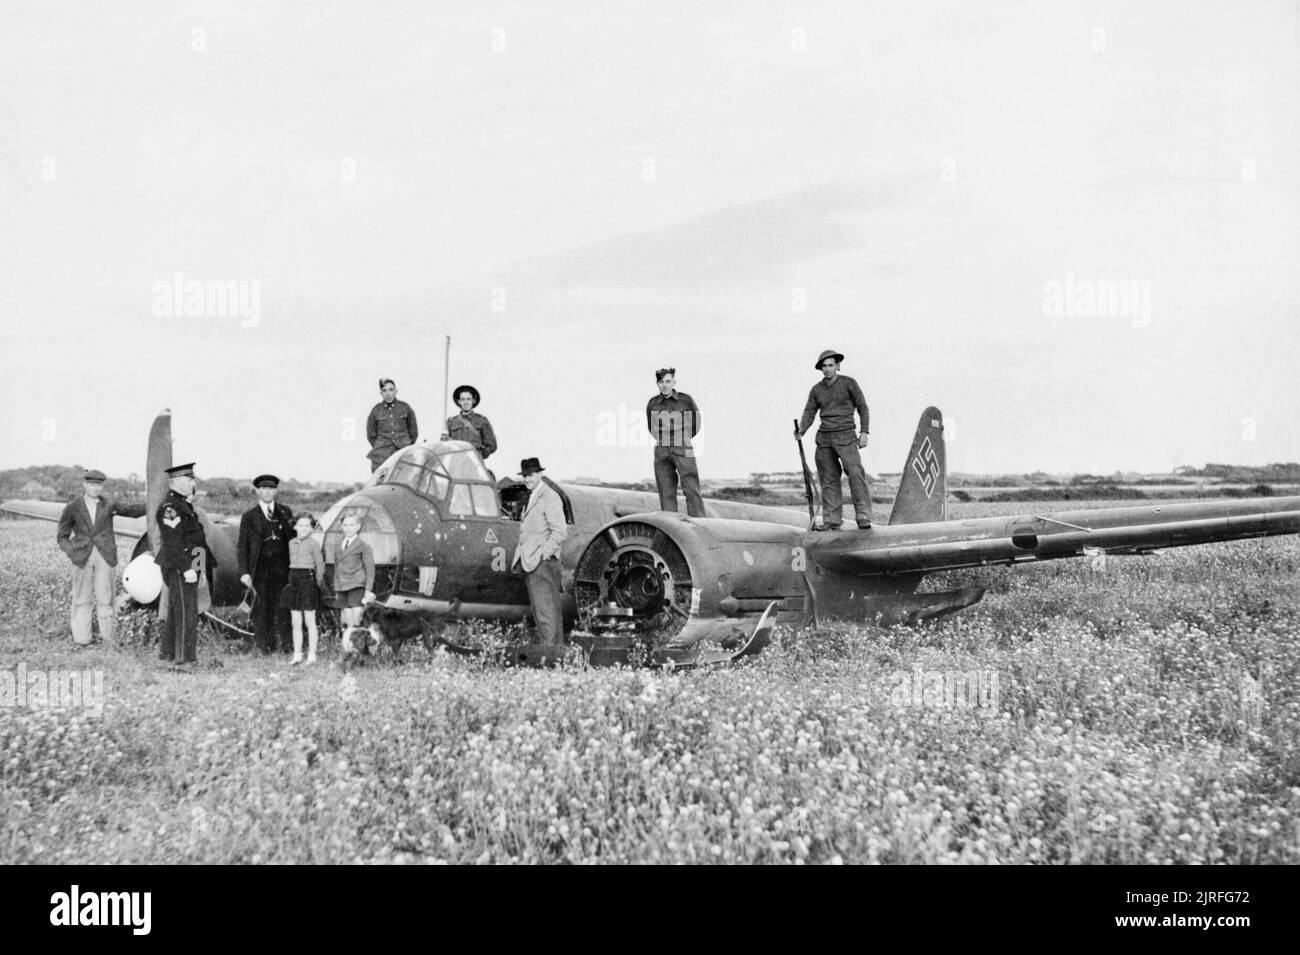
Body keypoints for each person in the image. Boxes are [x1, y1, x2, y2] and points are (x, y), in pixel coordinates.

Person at [55, 468, 146, 647]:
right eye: (91, 484)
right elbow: (62, 535)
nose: (95, 488)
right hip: (82, 558)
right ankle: (82, 639)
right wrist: (72, 552)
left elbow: (131, 510)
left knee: (106, 598)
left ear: (102, 486)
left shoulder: (109, 504)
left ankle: (109, 639)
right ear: (84, 485)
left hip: (105, 557)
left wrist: (154, 502)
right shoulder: (73, 507)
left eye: (98, 485)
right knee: (82, 598)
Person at [796, 349, 873, 530]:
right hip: (824, 439)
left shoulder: (849, 384)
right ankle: (832, 520)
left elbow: (863, 407)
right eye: (824, 366)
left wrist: (864, 432)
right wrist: (802, 430)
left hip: (846, 436)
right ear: (821, 369)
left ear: (837, 366)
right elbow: (809, 412)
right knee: (829, 480)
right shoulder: (817, 390)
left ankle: (863, 517)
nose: (828, 369)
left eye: (831, 365)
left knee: (855, 474)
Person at [155, 463, 216, 668]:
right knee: (186, 613)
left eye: (192, 479)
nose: (193, 482)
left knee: (177, 611)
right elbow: (173, 542)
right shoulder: (171, 507)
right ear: (175, 482)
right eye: (189, 479)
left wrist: (200, 568)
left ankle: (169, 655)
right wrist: (187, 568)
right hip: (180, 567)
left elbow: (197, 542)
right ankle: (184, 660)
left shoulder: (183, 505)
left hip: (190, 566)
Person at [236, 474, 295, 654]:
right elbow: (242, 546)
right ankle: (264, 648)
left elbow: (293, 540)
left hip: (282, 570)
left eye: (271, 489)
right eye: (263, 489)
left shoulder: (285, 512)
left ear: (275, 491)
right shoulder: (249, 516)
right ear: (258, 491)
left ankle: (287, 648)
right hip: (259, 571)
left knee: (283, 608)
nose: (267, 492)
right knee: (261, 609)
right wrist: (244, 572)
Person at [511, 457, 567, 646]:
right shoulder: (533, 495)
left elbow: (560, 531)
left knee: (546, 611)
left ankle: (550, 652)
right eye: (525, 476)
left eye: (531, 475)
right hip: (532, 561)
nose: (527, 479)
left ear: (540, 474)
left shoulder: (549, 496)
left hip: (541, 563)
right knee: (541, 609)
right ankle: (553, 651)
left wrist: (544, 554)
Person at [645, 367, 704, 517]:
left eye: (668, 381)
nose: (664, 385)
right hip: (661, 448)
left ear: (673, 382)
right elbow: (651, 426)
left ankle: (700, 523)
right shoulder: (653, 403)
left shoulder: (685, 400)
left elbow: (696, 423)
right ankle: (670, 524)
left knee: (691, 488)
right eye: (661, 382)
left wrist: (683, 438)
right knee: (666, 491)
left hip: (683, 445)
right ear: (657, 384)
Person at [283, 513, 326, 665]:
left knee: (310, 621)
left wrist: (317, 584)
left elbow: (320, 566)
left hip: (307, 581)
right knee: (296, 621)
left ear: (312, 528)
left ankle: (312, 656)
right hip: (293, 580)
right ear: (295, 526)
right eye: (300, 525)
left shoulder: (314, 544)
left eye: (307, 525)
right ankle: (297, 655)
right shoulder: (291, 543)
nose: (303, 528)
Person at [330, 514, 375, 631]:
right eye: (345, 525)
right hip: (342, 586)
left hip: (356, 585)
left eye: (352, 525)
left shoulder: (364, 546)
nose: (348, 528)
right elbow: (337, 567)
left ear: (358, 527)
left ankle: (361, 646)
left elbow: (370, 569)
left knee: (357, 619)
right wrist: (336, 587)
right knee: (346, 620)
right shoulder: (338, 545)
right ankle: (349, 646)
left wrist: (368, 590)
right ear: (341, 527)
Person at [365, 378, 419, 471]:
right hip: (381, 457)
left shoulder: (405, 408)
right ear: (381, 393)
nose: (388, 393)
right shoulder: (376, 410)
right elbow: (371, 434)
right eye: (384, 390)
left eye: (391, 389)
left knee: (405, 479)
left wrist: (405, 444)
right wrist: (381, 446)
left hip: (403, 454)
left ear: (396, 391)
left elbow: (413, 432)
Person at [443, 385, 498, 462]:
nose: (466, 402)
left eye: (468, 399)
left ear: (473, 401)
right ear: (459, 401)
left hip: (474, 463)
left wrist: (479, 455)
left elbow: (492, 445)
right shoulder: (451, 421)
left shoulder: (482, 420)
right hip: (456, 461)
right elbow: (445, 445)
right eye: (463, 399)